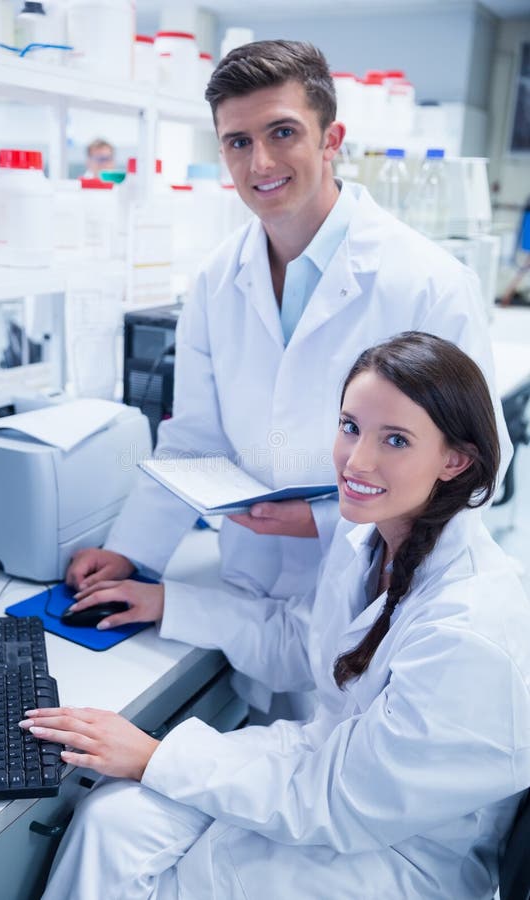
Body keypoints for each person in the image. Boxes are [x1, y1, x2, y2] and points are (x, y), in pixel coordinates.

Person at [66, 40, 511, 713]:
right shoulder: (218, 279)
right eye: (237, 142)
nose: (261, 162)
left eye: (282, 133)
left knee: (325, 782)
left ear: (331, 138)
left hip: (373, 601)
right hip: (247, 591)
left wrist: (327, 522)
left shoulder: (428, 282)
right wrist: (132, 552)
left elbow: (479, 467)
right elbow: (192, 439)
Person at [23, 333, 530, 900]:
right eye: (350, 427)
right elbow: (308, 650)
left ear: (455, 460)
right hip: (324, 775)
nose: (358, 459)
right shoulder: (369, 540)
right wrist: (169, 603)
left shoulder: (468, 629)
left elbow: (345, 804)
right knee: (110, 819)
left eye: (396, 439)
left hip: (400, 854)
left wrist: (157, 757)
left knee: (189, 877)